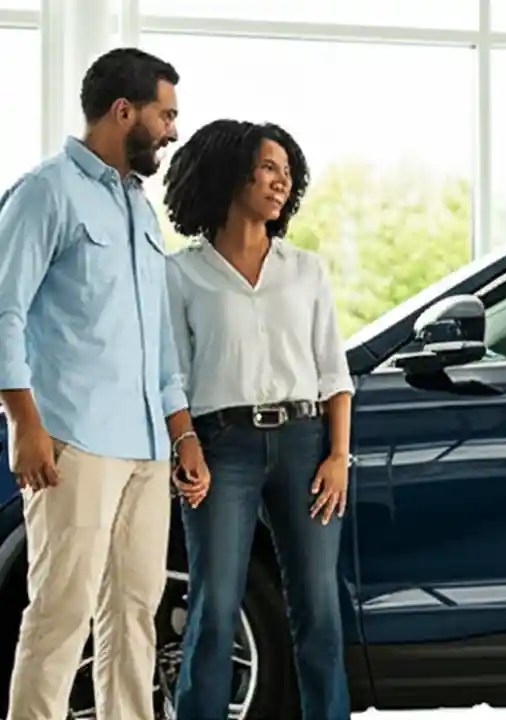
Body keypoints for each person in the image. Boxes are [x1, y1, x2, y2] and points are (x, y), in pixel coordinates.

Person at [0, 48, 210, 719]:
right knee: (61, 614)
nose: (174, 130)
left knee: (134, 615)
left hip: (147, 449)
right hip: (75, 443)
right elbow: (3, 311)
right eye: (166, 113)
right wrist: (25, 424)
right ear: (125, 111)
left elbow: (157, 343)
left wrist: (183, 434)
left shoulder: (140, 212)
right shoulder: (46, 192)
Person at [163, 118, 354, 719]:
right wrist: (185, 441)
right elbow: (171, 374)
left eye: (287, 174)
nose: (280, 182)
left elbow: (333, 374)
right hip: (223, 448)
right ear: (230, 171)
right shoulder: (182, 273)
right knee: (216, 607)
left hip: (305, 443)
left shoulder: (306, 270)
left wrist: (338, 456)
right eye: (269, 167)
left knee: (318, 609)